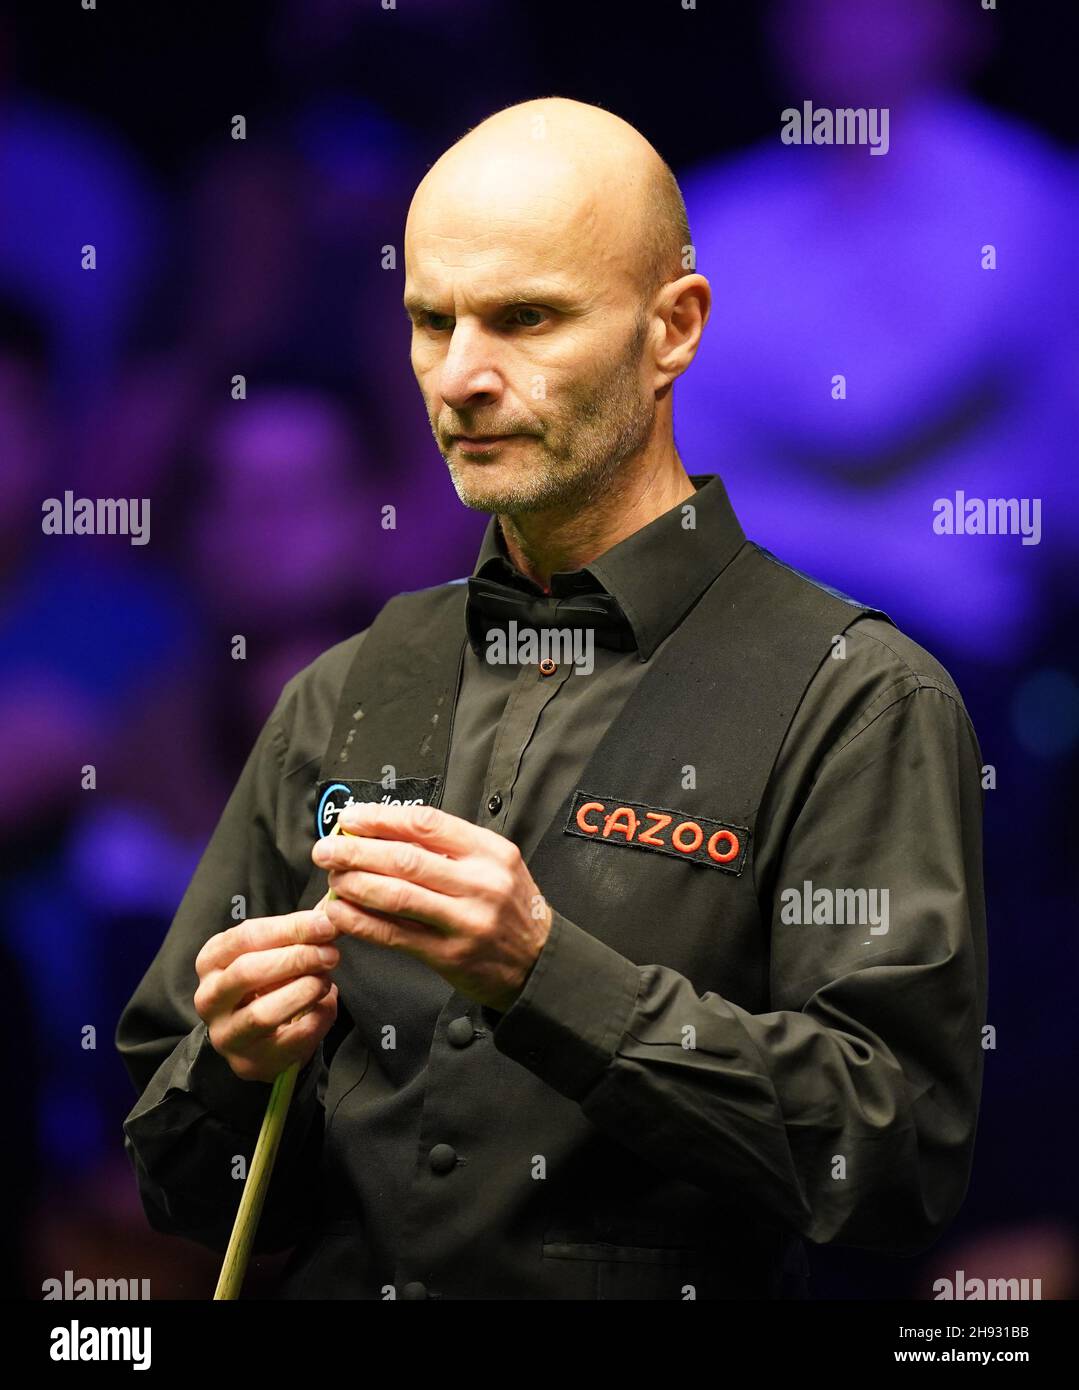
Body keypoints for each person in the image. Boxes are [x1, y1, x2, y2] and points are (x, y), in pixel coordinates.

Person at [116, 97, 987, 1300]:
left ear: (671, 328)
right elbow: (180, 1187)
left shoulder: (860, 696)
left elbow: (891, 1156)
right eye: (433, 322)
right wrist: (228, 1061)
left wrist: (543, 972)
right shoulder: (346, 686)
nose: (463, 375)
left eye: (525, 318)